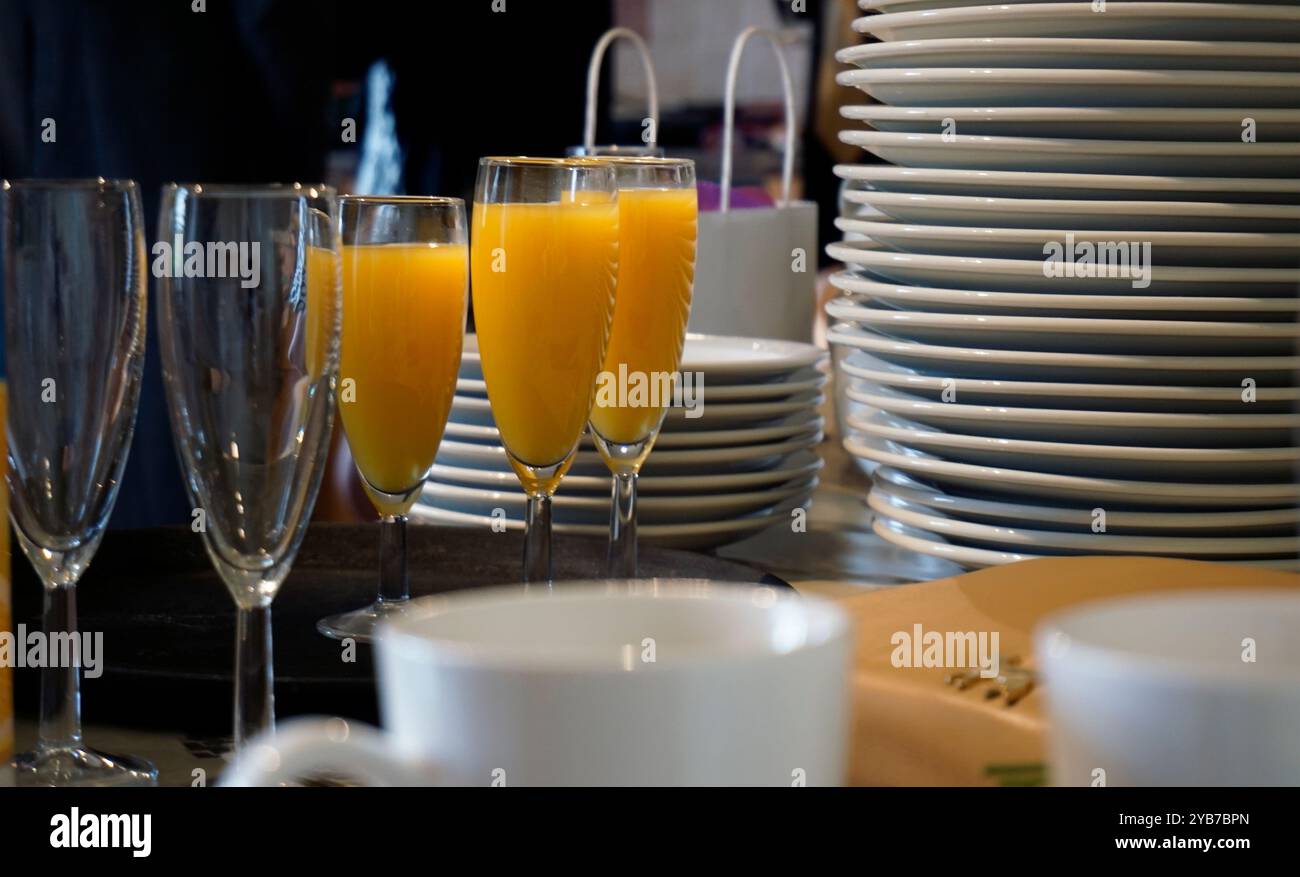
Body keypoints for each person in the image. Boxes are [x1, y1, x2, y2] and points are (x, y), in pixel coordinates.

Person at [0, 0, 613, 527]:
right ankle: (209, 628)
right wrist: (302, 198)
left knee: (96, 427)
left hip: (60, 185)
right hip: (217, 180)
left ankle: (118, 625)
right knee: (209, 441)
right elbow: (278, 20)